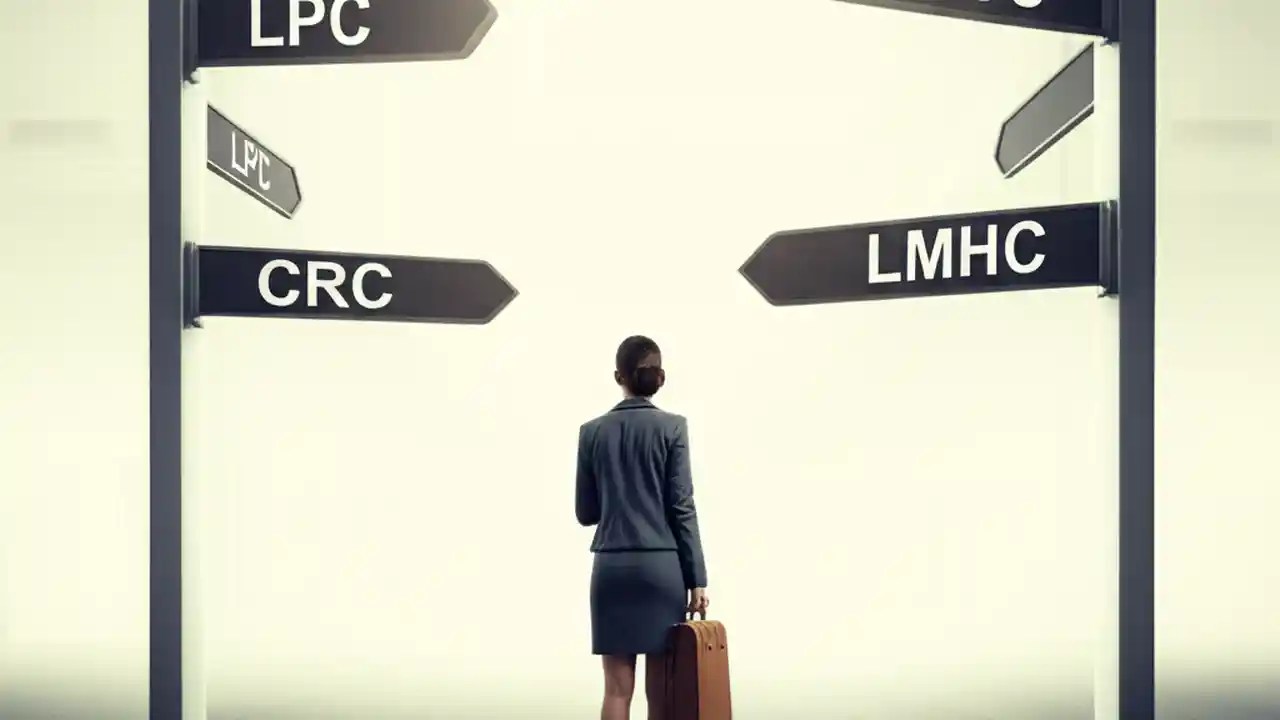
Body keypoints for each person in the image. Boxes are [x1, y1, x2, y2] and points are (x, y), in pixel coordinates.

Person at [576, 335, 710, 720]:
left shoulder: (591, 431)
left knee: (617, 691)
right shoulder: (673, 427)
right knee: (659, 693)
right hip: (661, 570)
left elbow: (586, 513)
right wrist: (697, 578)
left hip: (611, 569)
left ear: (618, 376)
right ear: (659, 378)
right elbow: (682, 507)